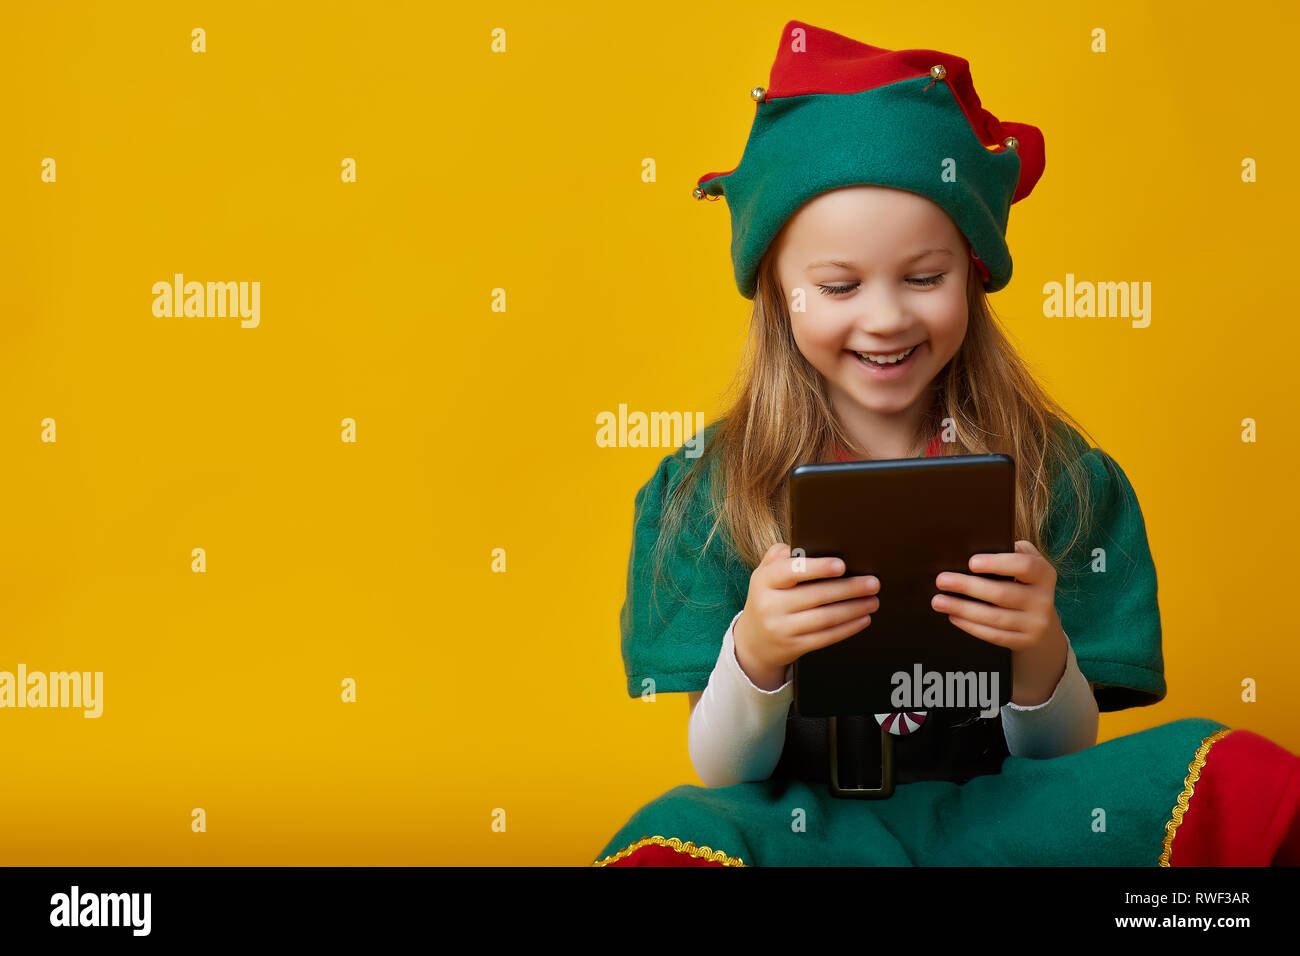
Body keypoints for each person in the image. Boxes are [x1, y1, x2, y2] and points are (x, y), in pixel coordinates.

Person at [591, 20, 1300, 867]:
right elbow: (724, 772)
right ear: (779, 297)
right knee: (676, 833)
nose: (887, 317)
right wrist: (757, 654)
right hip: (814, 834)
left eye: (924, 278)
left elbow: (1061, 766)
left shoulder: (1055, 476)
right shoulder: (712, 492)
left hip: (1006, 823)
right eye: (840, 285)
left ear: (973, 274)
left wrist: (1039, 650)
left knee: (1239, 772)